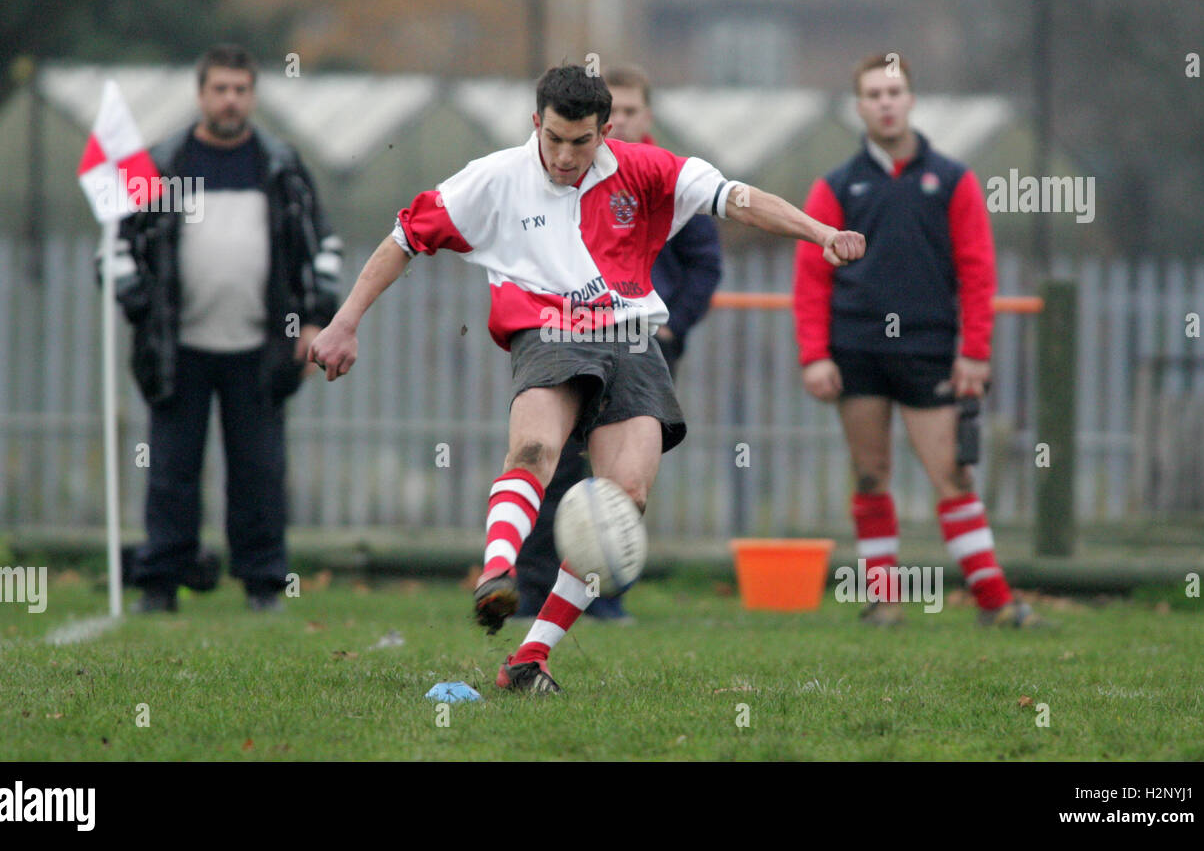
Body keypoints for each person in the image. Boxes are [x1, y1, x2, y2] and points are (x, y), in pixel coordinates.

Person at [310, 65, 864, 693]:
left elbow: (738, 198)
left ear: (606, 131)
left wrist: (821, 232)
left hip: (632, 337)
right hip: (547, 330)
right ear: (535, 124)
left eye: (582, 141)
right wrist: (343, 323)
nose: (566, 155)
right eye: (554, 139)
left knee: (622, 502)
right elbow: (402, 239)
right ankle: (497, 574)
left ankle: (530, 658)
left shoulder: (646, 169)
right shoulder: (493, 179)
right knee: (536, 449)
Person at [791, 53, 1042, 628]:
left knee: (952, 475)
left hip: (930, 351)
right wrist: (814, 355)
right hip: (856, 350)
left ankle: (995, 603)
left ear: (910, 100)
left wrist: (975, 351)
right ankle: (885, 602)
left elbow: (979, 272)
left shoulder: (952, 181)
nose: (885, 102)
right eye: (874, 93)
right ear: (859, 106)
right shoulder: (835, 186)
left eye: (894, 91)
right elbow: (810, 278)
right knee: (871, 476)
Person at [105, 43, 343, 613]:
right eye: (220, 89)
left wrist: (313, 320)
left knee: (260, 473)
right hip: (176, 350)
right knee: (170, 472)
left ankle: (264, 586)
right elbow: (116, 247)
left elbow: (324, 249)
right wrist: (135, 298)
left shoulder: (281, 165)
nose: (230, 100)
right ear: (201, 94)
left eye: (241, 89)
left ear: (253, 96)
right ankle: (160, 583)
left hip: (262, 350)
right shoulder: (160, 163)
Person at [513, 65, 724, 623]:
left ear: (642, 117)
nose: (623, 121)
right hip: (566, 342)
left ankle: (605, 597)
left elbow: (705, 263)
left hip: (643, 345)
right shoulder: (555, 173)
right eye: (618, 111)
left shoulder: (668, 178)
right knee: (549, 466)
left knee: (621, 484)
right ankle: (532, 594)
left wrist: (673, 324)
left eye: (632, 111)